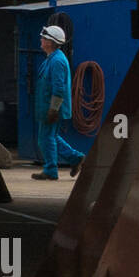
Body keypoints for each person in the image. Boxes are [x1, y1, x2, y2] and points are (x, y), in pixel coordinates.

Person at [32, 25, 85, 181]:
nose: (41, 40)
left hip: (51, 108)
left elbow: (59, 88)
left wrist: (53, 109)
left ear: (50, 42)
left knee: (45, 138)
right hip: (47, 107)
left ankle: (50, 170)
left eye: (43, 38)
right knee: (51, 136)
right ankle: (76, 158)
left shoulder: (57, 61)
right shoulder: (52, 59)